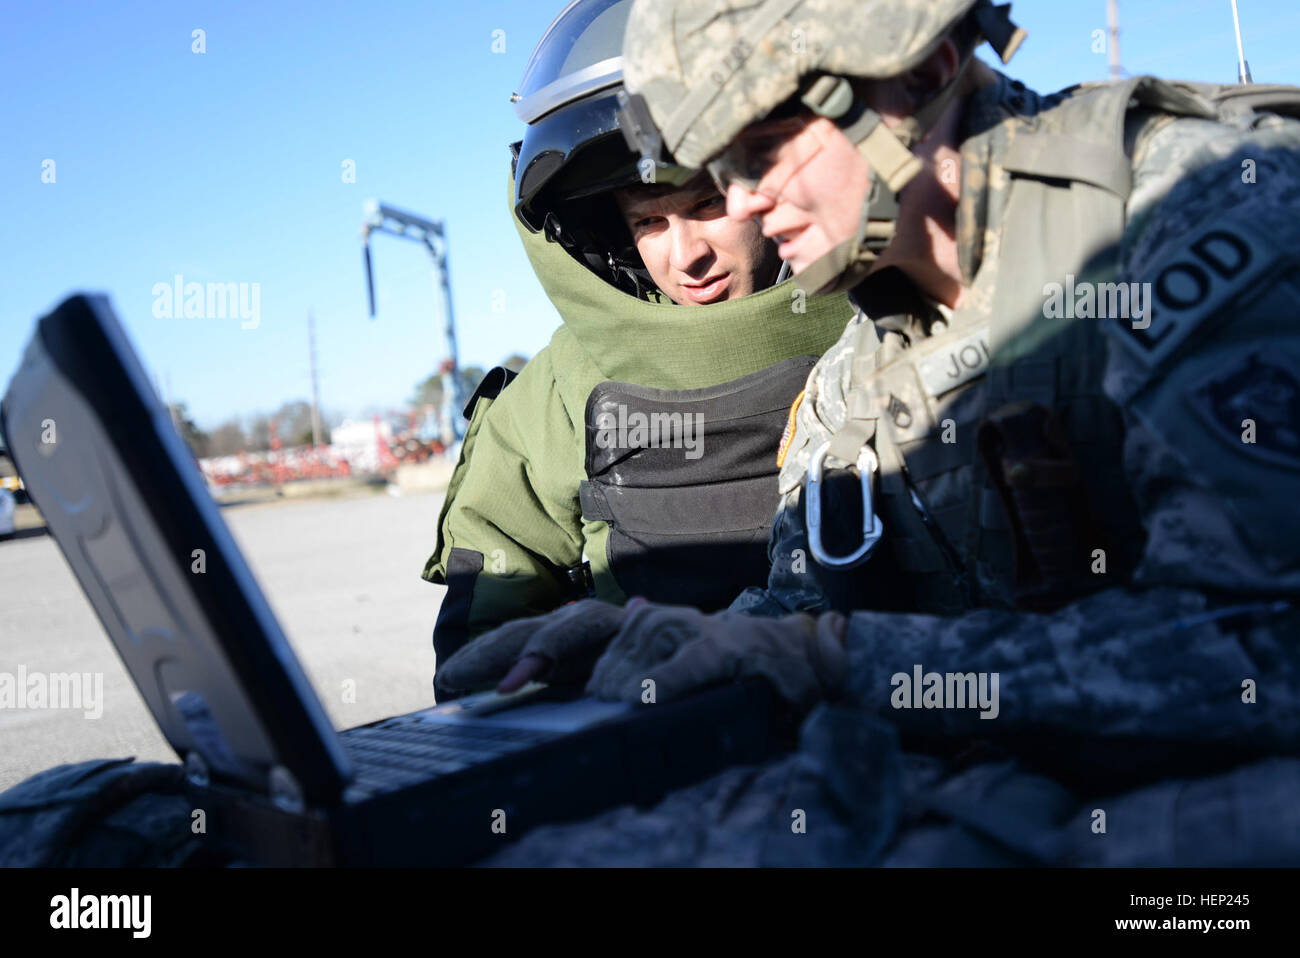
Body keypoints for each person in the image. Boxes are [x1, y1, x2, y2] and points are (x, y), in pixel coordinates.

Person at [442, 0, 1300, 865]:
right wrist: (654, 640)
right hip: (1036, 782)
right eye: (714, 166)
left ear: (920, 76)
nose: (739, 200)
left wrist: (836, 655)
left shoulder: (1191, 215)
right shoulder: (853, 378)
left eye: (762, 148)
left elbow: (1263, 656)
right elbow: (795, 620)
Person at [423, 0, 856, 698]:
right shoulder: (558, 395)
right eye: (649, 221)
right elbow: (484, 657)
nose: (686, 256)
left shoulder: (889, 329)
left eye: (707, 204)